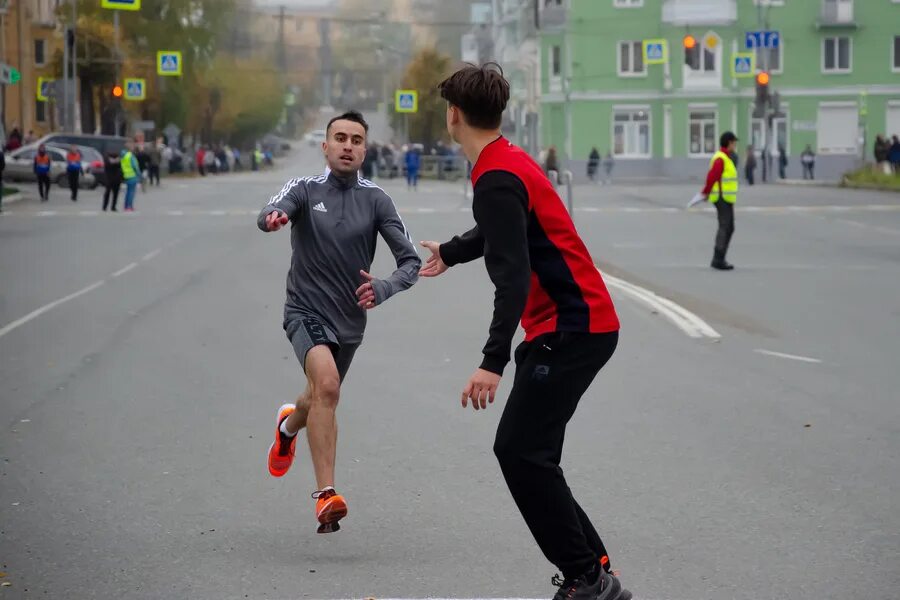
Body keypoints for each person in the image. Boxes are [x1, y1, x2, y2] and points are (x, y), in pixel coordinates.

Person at [418, 63, 632, 600]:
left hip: (572, 326)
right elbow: (504, 231)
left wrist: (493, 360)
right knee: (533, 454)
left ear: (454, 115)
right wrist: (453, 250)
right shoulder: (504, 162)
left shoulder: (494, 176)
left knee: (519, 452)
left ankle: (587, 578)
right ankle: (595, 569)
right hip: (583, 323)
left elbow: (512, 278)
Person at [257, 110, 420, 534]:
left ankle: (288, 426)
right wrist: (272, 218)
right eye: (340, 138)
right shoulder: (306, 190)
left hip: (349, 320)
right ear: (325, 146)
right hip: (305, 309)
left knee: (317, 397)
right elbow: (275, 208)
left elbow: (410, 263)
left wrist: (383, 288)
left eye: (356, 139)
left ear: (365, 149)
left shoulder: (377, 199)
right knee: (327, 386)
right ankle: (326, 495)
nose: (348, 145)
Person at [698, 131, 739, 271]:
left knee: (729, 227)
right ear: (729, 143)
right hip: (721, 197)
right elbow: (712, 176)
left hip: (726, 197)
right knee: (725, 226)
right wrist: (705, 192)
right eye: (734, 142)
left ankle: (720, 257)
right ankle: (718, 259)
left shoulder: (727, 157)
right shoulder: (721, 158)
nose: (735, 145)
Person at [121, 141, 141, 212]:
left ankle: (126, 206)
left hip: (126, 175)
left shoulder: (124, 155)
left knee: (128, 192)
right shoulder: (130, 156)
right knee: (131, 192)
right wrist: (139, 175)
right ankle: (129, 206)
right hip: (132, 175)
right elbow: (135, 166)